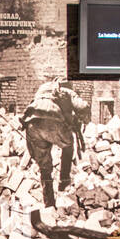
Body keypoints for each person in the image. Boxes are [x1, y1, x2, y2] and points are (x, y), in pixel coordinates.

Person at [21, 79, 90, 208]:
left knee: (45, 168)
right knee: (68, 145)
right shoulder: (66, 91)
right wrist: (85, 119)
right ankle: (64, 181)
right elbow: (83, 106)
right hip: (52, 122)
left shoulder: (43, 88)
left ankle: (49, 205)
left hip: (31, 124)